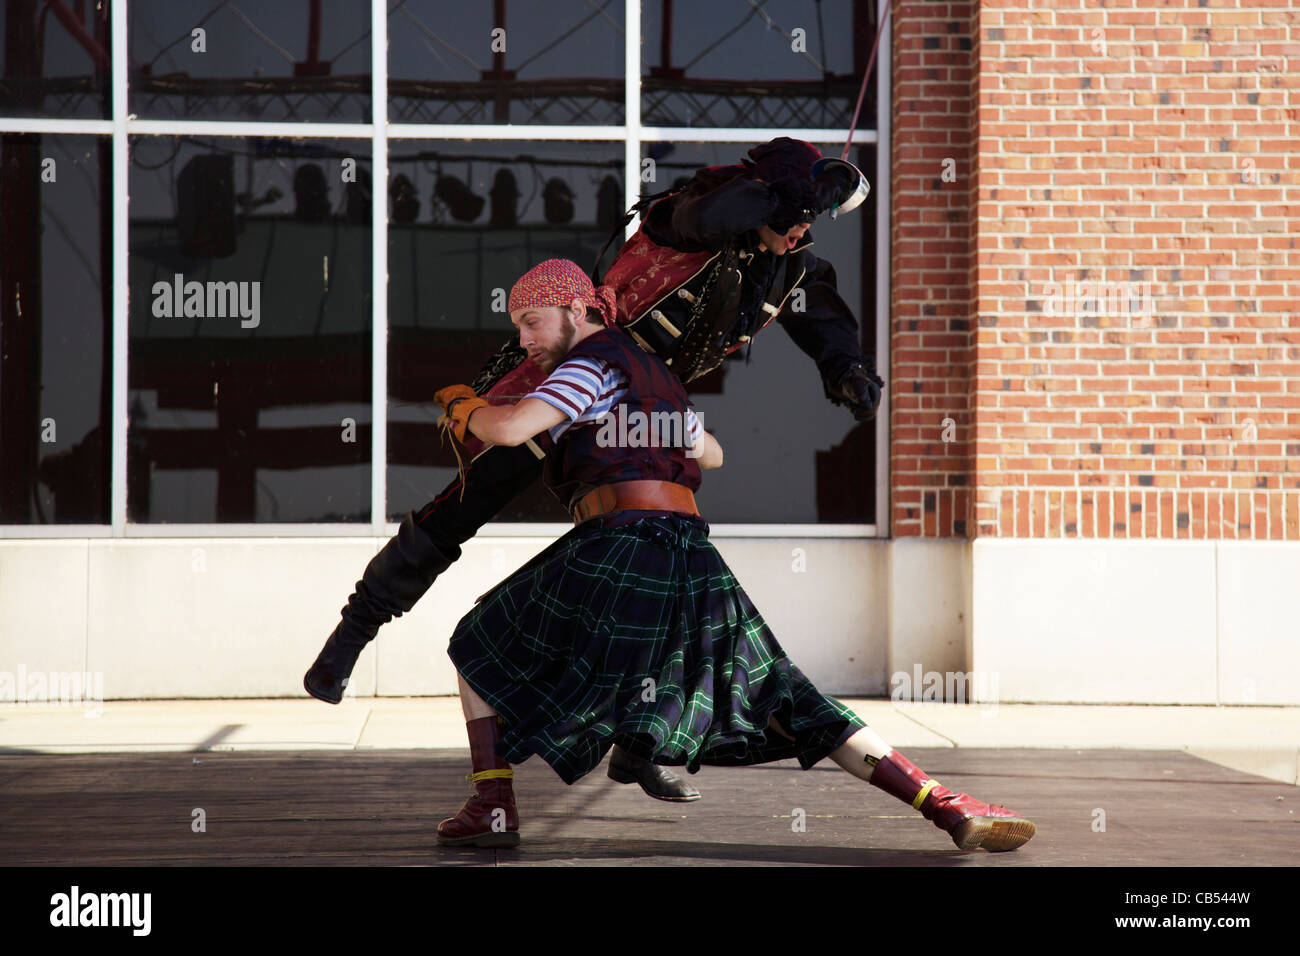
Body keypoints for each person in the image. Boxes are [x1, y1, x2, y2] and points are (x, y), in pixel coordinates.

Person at [303, 137, 886, 803]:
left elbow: (825, 321)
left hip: (647, 410)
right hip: (583, 372)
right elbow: (716, 217)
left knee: (651, 582)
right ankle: (351, 637)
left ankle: (639, 742)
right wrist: (796, 190)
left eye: (812, 218)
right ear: (772, 196)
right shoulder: (690, 211)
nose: (806, 230)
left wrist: (848, 371)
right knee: (467, 500)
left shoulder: (792, 265)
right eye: (800, 213)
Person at [430, 260, 1035, 853]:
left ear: (576, 308)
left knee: (477, 640)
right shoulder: (652, 374)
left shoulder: (587, 364)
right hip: (689, 552)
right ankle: (946, 805)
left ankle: (493, 804)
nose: (524, 339)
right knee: (783, 695)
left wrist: (462, 408)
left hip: (620, 543)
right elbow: (711, 453)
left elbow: (508, 432)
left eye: (533, 321)